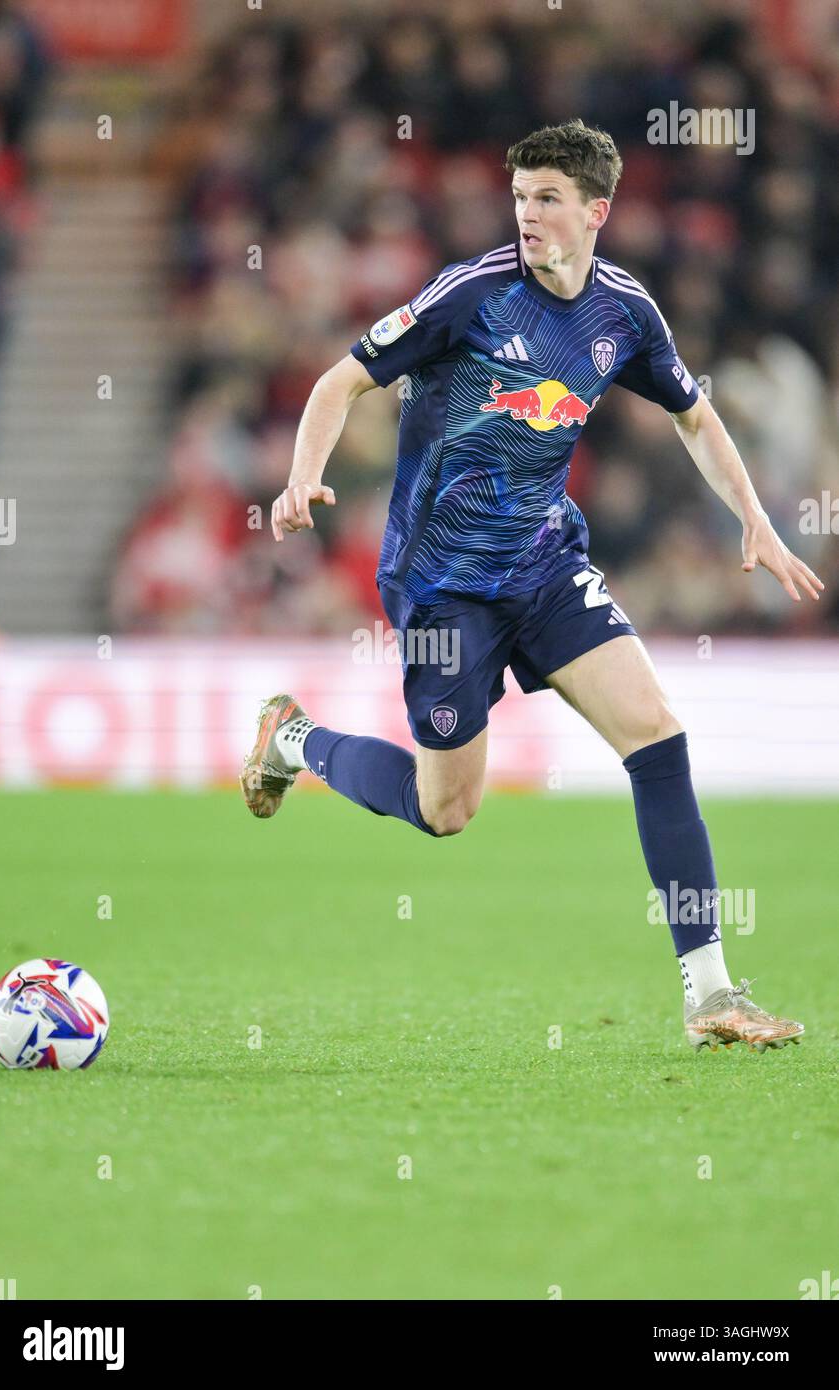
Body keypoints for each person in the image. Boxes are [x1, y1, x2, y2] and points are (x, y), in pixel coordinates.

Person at [241, 120, 823, 1053]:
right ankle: (294, 737)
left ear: (598, 211)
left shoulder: (625, 314)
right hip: (443, 589)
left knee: (658, 736)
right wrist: (303, 474)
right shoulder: (469, 296)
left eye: (547, 198)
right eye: (519, 198)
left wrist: (752, 514)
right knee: (447, 811)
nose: (527, 216)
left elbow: (696, 418)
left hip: (546, 565)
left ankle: (711, 993)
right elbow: (337, 383)